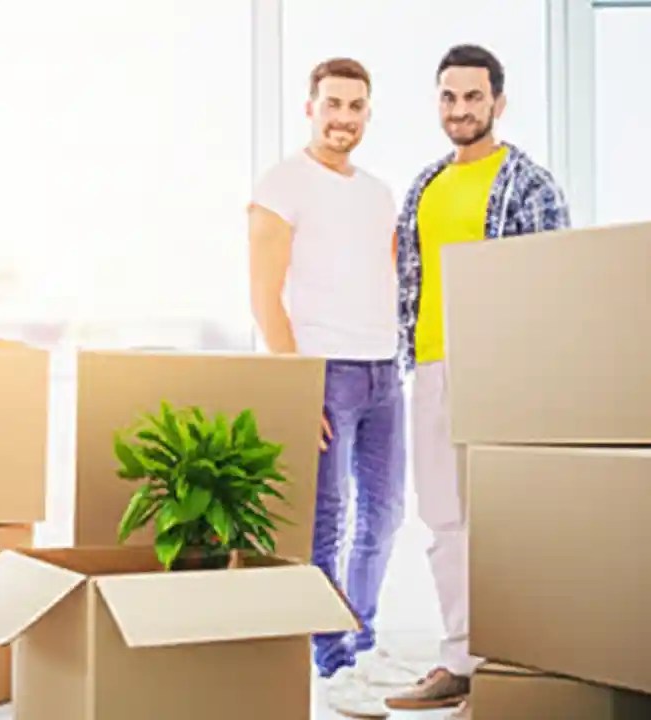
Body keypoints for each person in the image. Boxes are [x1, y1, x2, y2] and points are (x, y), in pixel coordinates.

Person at [384, 44, 572, 717]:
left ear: (498, 100)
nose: (460, 109)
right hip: (429, 368)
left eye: (472, 96)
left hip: (499, 370)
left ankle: (512, 668)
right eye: (448, 97)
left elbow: (554, 283)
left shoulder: (528, 184)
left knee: (502, 521)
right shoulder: (425, 186)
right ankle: (461, 661)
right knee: (443, 522)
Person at [248, 58, 406, 717]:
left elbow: (388, 279)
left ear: (369, 114)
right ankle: (332, 660)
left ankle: (362, 639)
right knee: (328, 520)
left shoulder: (377, 192)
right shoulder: (282, 184)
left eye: (357, 107)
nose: (345, 117)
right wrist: (295, 380)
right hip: (325, 373)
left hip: (383, 370)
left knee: (386, 512)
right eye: (333, 104)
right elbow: (263, 294)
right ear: (310, 107)